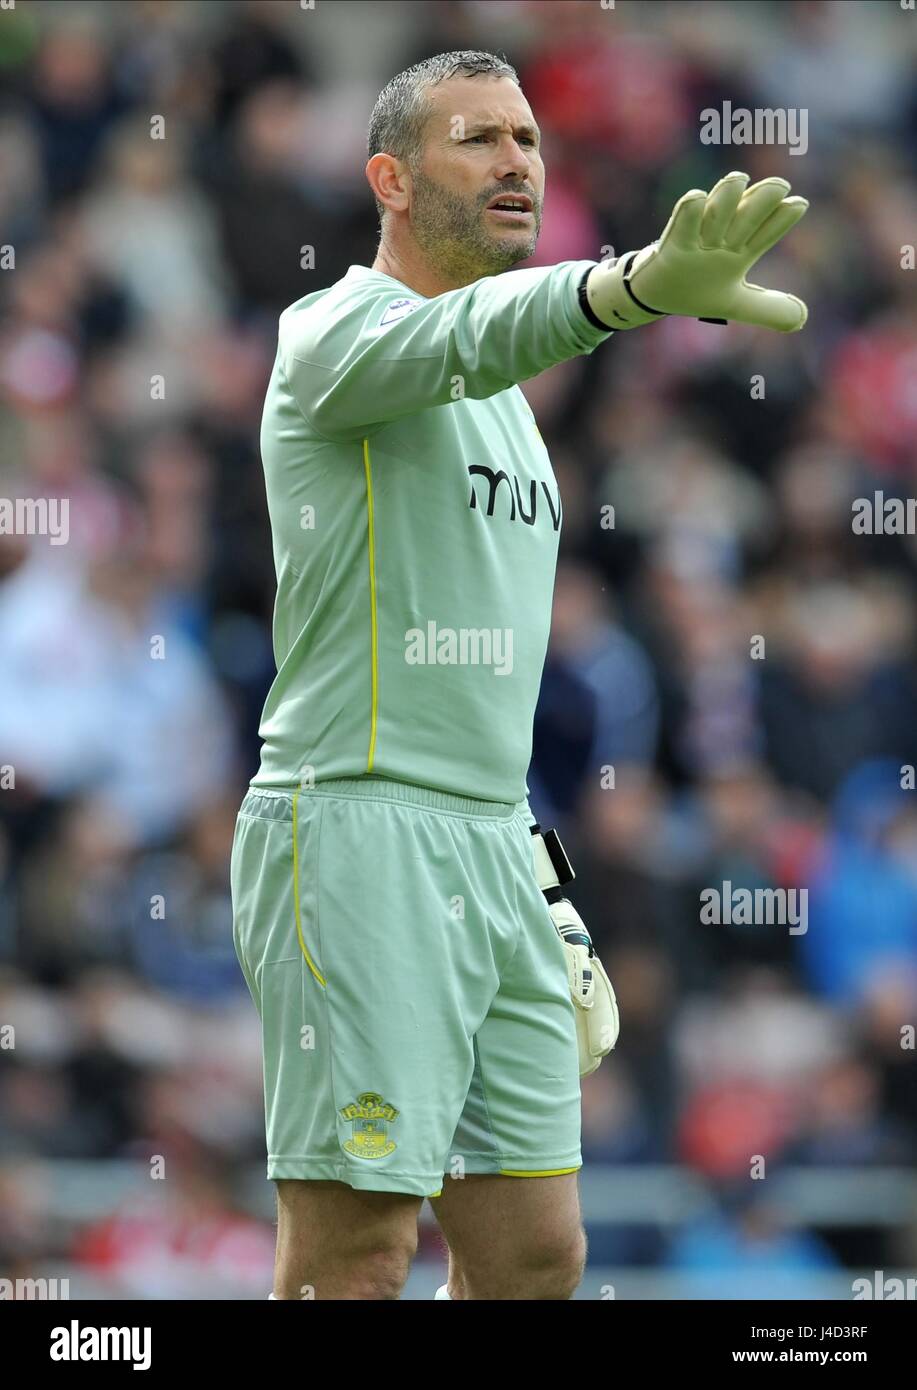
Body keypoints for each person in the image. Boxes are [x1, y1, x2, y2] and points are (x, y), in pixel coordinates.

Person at [230, 48, 807, 1301]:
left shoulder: (511, 414)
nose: (516, 164)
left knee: (535, 1257)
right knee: (356, 1251)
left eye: (529, 141)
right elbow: (475, 330)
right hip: (354, 824)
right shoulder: (329, 332)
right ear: (389, 177)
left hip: (496, 846)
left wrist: (528, 875)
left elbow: (486, 346)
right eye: (477, 139)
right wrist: (634, 286)